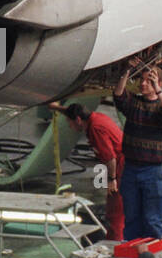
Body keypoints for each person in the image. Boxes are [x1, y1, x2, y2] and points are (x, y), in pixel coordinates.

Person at [112, 63, 162, 239]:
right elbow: (118, 96)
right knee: (132, 217)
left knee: (152, 219)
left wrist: (157, 88)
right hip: (131, 168)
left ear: (159, 84)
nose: (143, 84)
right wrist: (126, 72)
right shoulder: (134, 103)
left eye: (148, 81)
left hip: (152, 171)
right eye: (142, 80)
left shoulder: (161, 109)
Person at [48, 101, 124, 241]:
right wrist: (57, 108)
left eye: (69, 122)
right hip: (123, 165)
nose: (70, 126)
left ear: (78, 120)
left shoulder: (95, 128)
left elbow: (111, 158)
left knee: (115, 214)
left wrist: (112, 180)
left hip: (121, 168)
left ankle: (116, 249)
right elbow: (73, 111)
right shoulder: (95, 117)